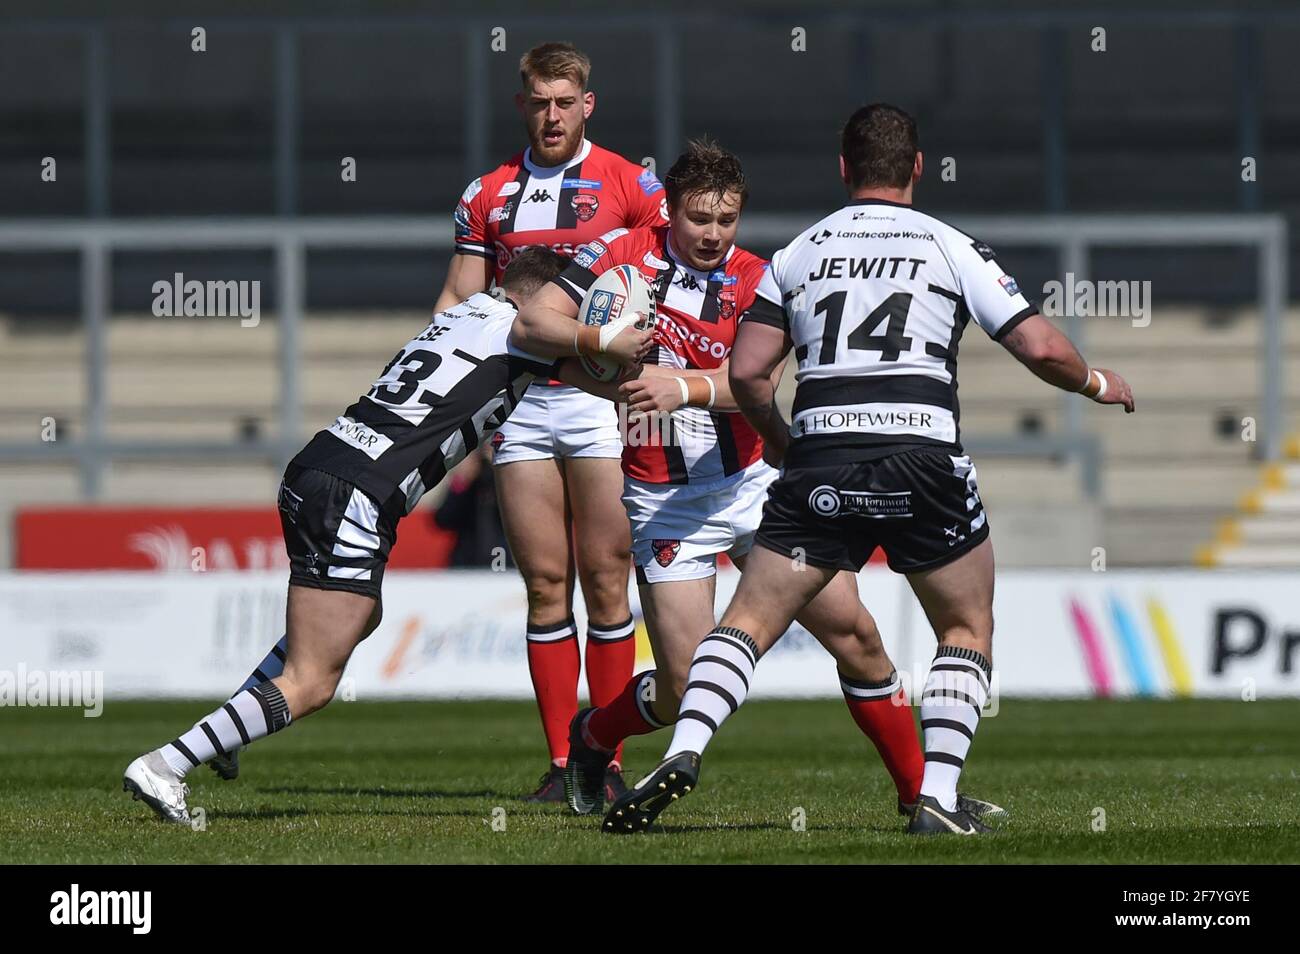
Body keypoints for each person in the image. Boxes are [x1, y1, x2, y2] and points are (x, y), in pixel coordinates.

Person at [604, 103, 1135, 836]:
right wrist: (1097, 384)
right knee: (964, 623)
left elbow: (752, 374)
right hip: (923, 454)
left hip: (821, 452)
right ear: (917, 167)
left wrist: (785, 444)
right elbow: (1040, 348)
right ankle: (937, 800)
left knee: (750, 620)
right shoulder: (950, 245)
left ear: (843, 168)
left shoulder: (798, 253)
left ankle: (686, 746)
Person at [530, 140, 996, 823]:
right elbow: (533, 324)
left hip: (753, 489)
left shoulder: (757, 275)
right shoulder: (618, 256)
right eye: (698, 219)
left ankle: (920, 795)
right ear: (670, 213)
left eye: (726, 220)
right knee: (685, 685)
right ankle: (594, 734)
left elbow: (755, 383)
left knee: (857, 637)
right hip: (665, 500)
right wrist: (603, 355)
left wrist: (681, 387)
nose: (713, 234)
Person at [121, 248, 654, 824]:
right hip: (356, 493)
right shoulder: (523, 332)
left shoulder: (470, 315)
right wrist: (605, 334)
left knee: (360, 618)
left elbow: (595, 380)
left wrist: (655, 372)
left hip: (317, 470)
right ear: (543, 302)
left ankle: (228, 735)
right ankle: (167, 763)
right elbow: (555, 342)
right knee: (314, 680)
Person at [435, 42, 669, 801]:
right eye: (539, 101)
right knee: (544, 583)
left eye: (565, 101)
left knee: (606, 579)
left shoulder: (631, 184)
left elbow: (665, 278)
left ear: (587, 103)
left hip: (602, 403)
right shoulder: (488, 193)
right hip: (522, 403)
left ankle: (605, 760)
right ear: (522, 104)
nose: (552, 115)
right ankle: (561, 763)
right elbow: (458, 303)